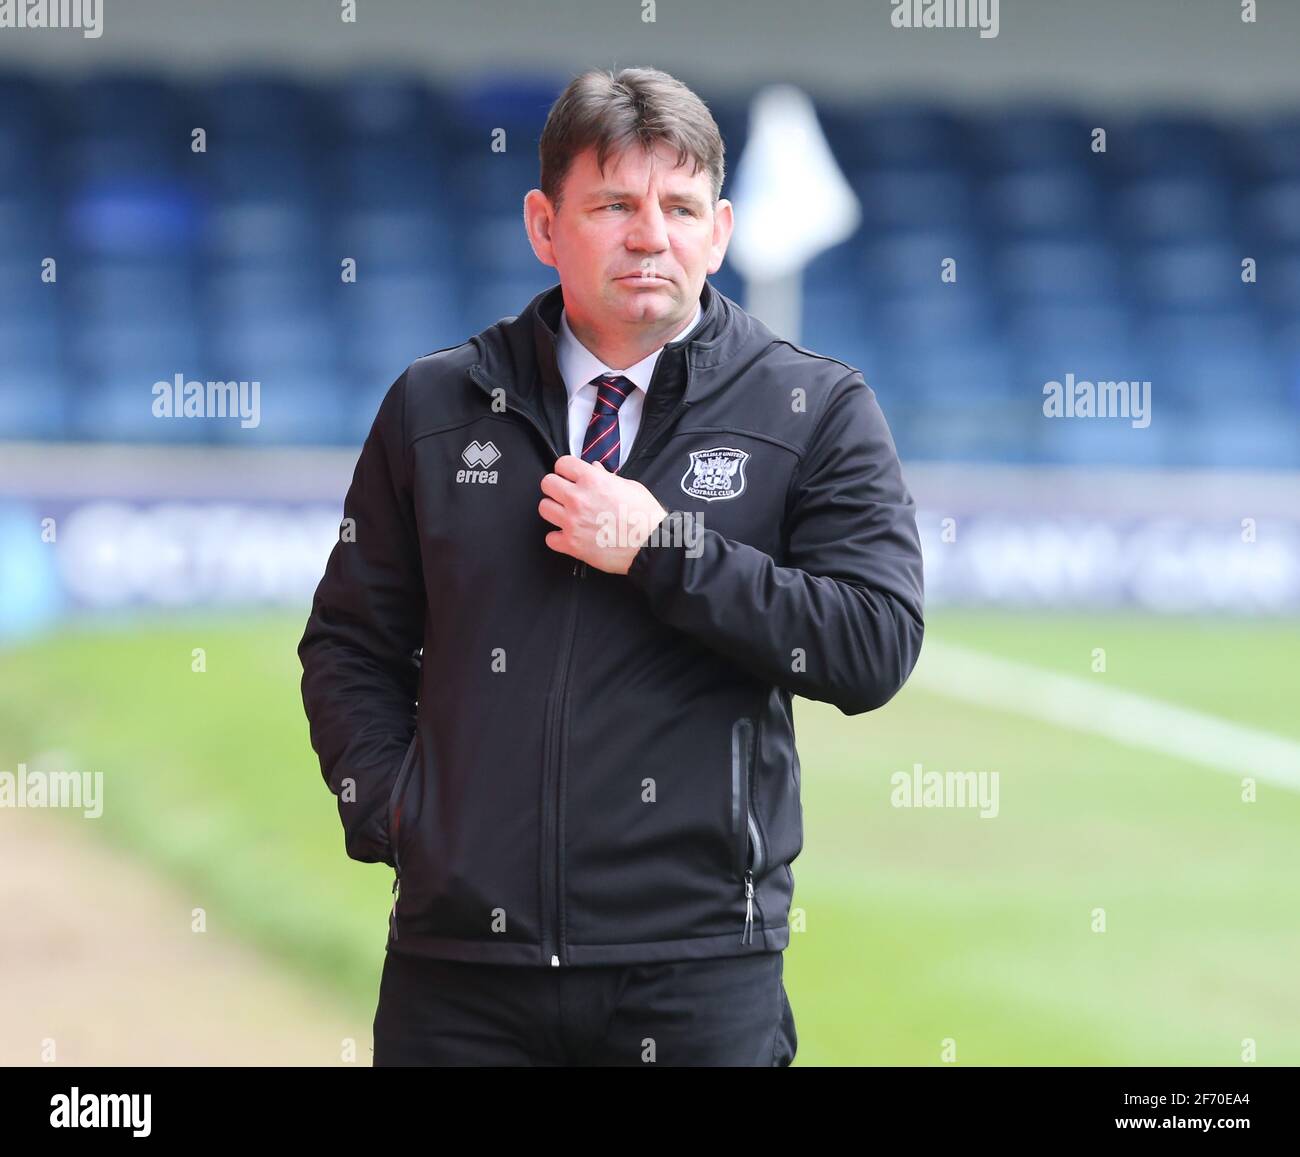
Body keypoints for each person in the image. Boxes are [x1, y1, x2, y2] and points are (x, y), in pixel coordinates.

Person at [297, 65, 925, 1066]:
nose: (650, 236)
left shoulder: (816, 409)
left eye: (680, 207)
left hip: (697, 971)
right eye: (614, 206)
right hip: (460, 971)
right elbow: (348, 644)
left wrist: (663, 549)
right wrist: (397, 813)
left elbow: (873, 643)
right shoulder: (434, 407)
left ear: (719, 231)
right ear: (544, 226)